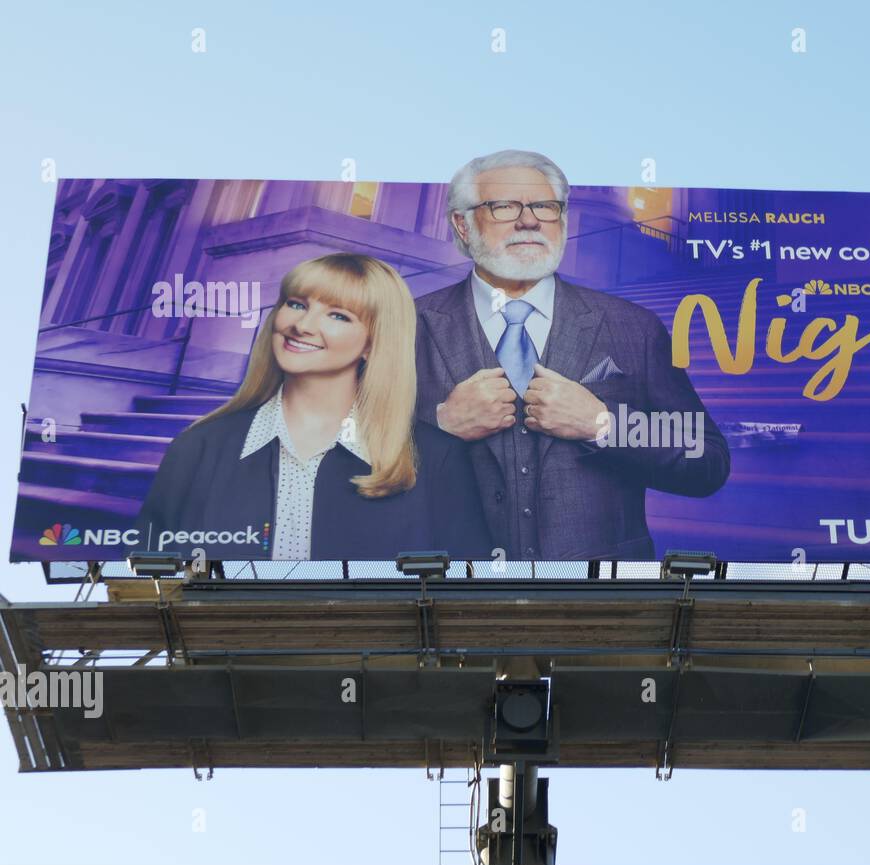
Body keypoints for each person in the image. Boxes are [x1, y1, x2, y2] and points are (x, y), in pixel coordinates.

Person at [414, 149, 730, 560]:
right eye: (505, 206)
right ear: (463, 222)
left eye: (544, 206)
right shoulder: (407, 324)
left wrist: (603, 425)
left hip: (601, 602)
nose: (529, 220)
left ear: (561, 219)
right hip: (449, 597)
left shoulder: (634, 326)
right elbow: (343, 464)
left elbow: (706, 458)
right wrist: (440, 427)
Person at [136, 253, 490, 560]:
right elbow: (141, 585)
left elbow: (465, 604)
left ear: (373, 343)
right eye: (297, 304)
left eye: (338, 316)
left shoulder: (437, 459)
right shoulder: (198, 446)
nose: (302, 326)